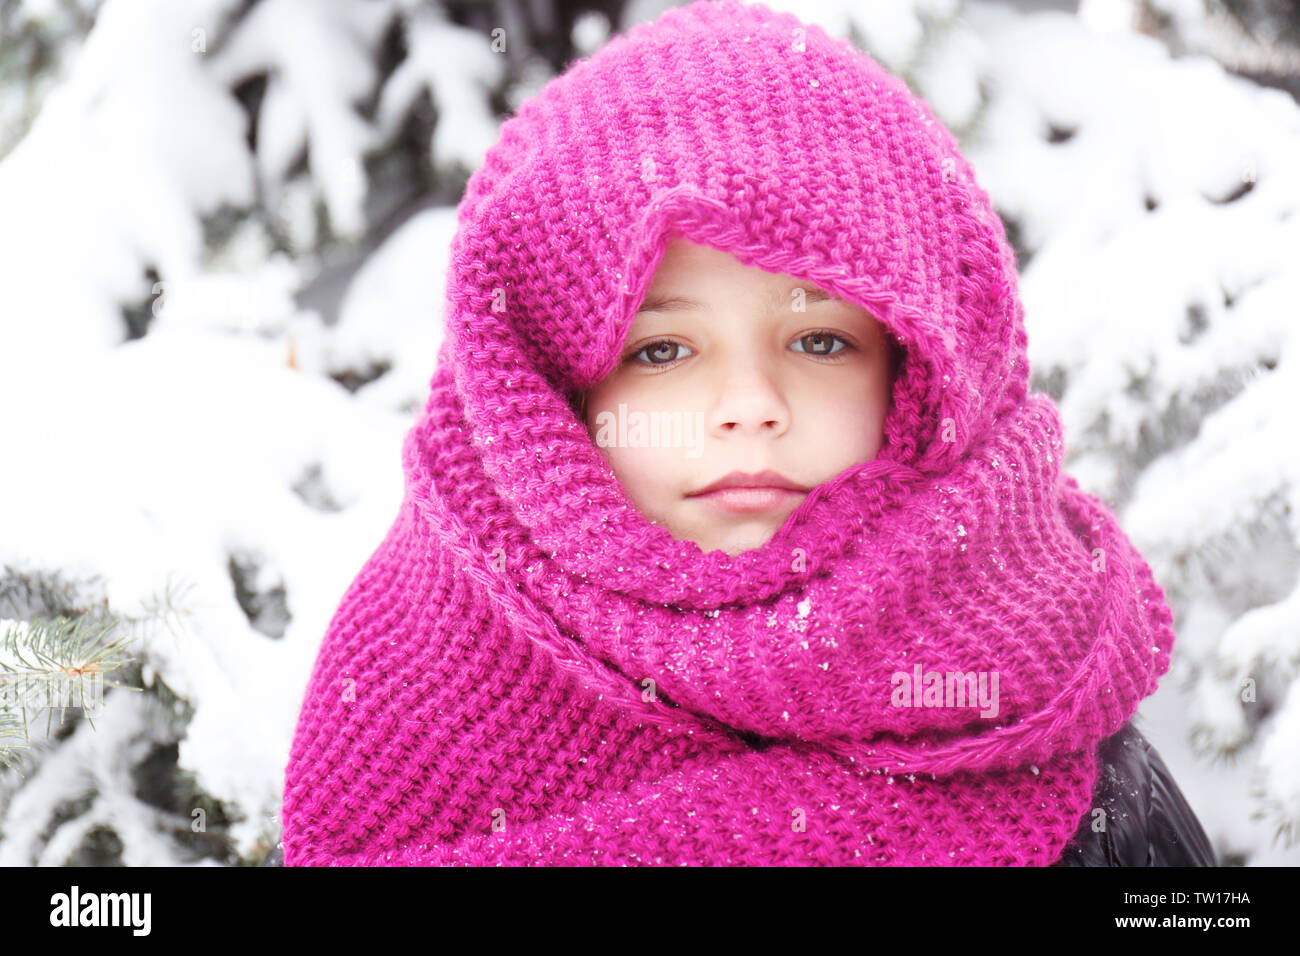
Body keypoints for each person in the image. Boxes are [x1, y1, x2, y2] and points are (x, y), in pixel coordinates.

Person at [280, 0, 1216, 866]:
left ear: (917, 375)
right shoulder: (414, 698)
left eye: (818, 340)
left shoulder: (1061, 746)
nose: (748, 404)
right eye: (660, 351)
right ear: (548, 396)